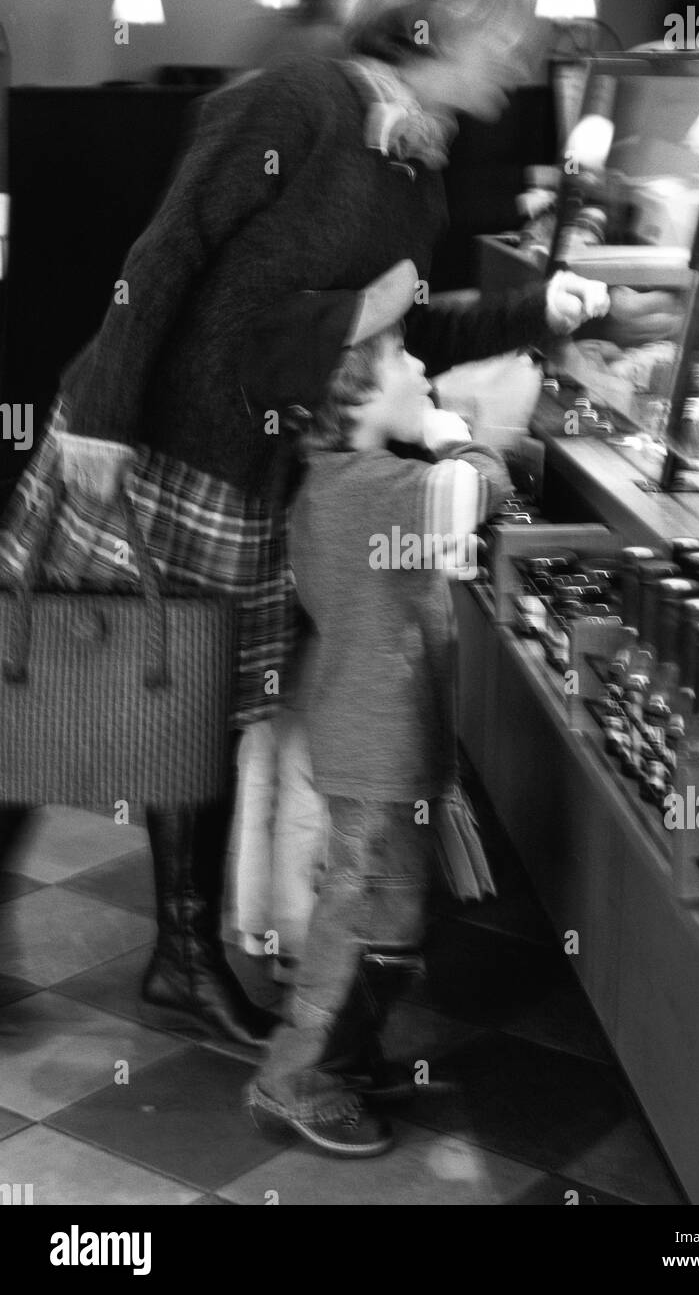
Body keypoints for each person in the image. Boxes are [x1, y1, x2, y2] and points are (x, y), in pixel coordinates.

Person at [0, 0, 606, 1048]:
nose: (524, 60)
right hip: (146, 444)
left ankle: (182, 956)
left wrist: (538, 308)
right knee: (40, 691)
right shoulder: (301, 105)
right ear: (452, 16)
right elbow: (168, 255)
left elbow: (398, 327)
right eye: (512, 32)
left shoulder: (415, 165)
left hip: (246, 471)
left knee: (189, 712)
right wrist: (100, 419)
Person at [245, 259, 512, 1156]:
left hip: (378, 739)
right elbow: (480, 492)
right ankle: (292, 1074)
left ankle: (345, 1052)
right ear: (353, 391)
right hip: (377, 746)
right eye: (403, 360)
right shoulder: (367, 494)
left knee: (389, 915)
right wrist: (455, 435)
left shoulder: (341, 484)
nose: (422, 370)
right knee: (359, 915)